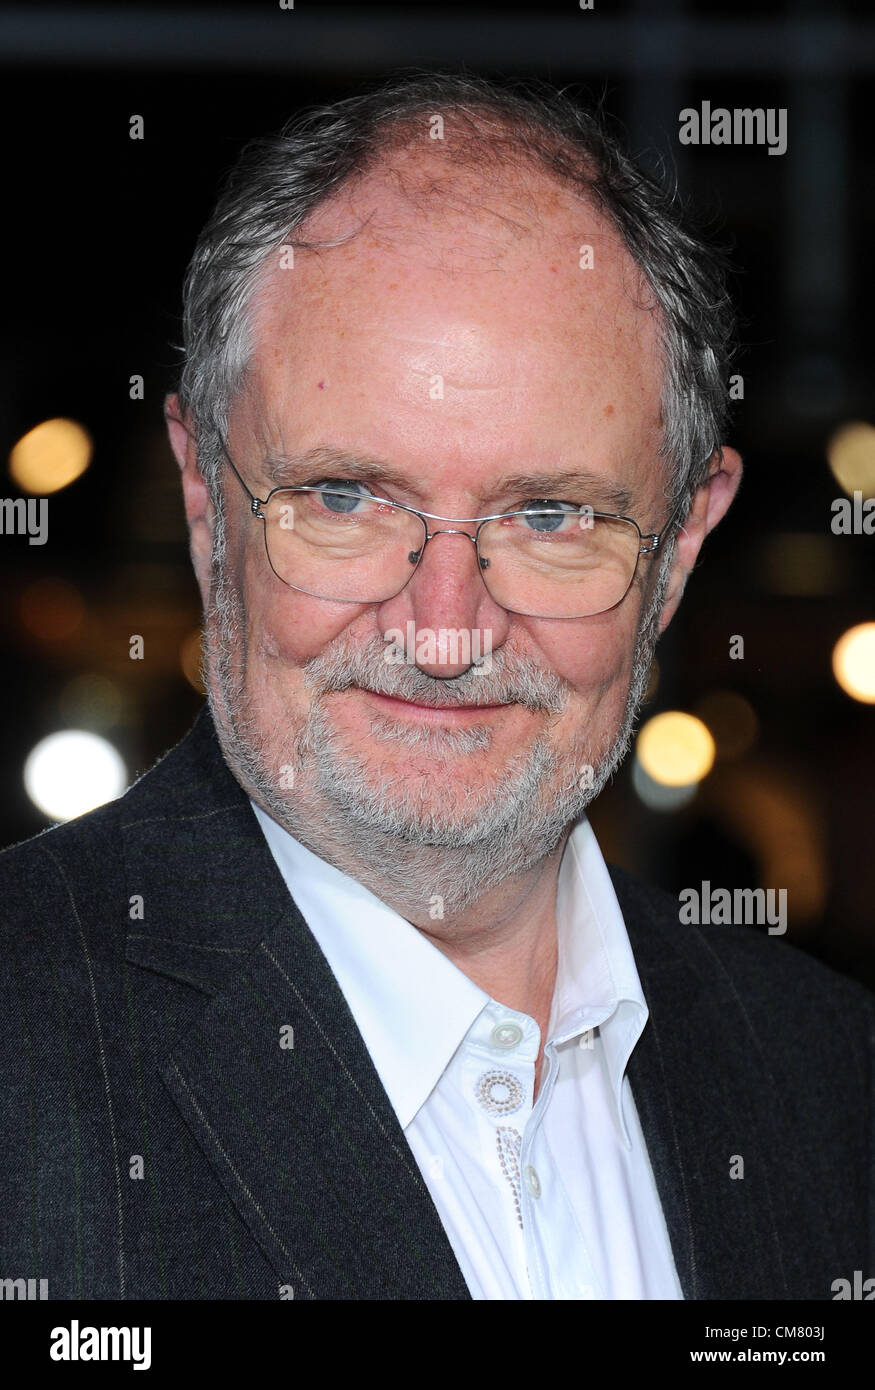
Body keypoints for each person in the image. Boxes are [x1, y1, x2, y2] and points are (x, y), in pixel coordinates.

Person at [1, 71, 871, 1302]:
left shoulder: (832, 1083)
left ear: (680, 544)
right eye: (344, 498)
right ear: (203, 500)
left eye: (550, 514)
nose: (447, 630)